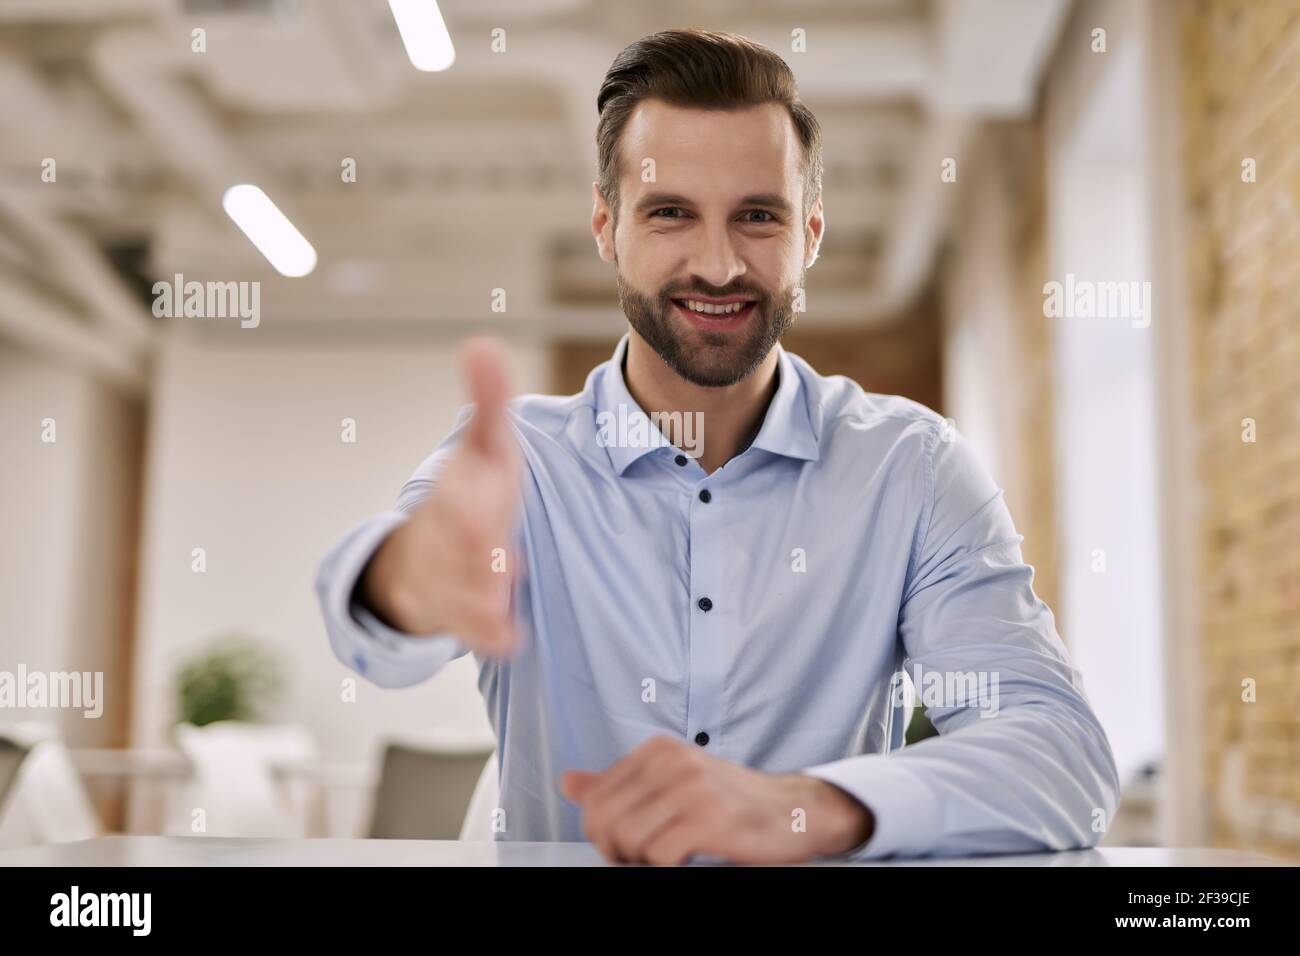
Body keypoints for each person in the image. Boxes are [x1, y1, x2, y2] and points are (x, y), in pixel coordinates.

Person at [316, 29, 1119, 865]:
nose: (719, 263)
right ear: (605, 226)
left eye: (757, 217)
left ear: (809, 234)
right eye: (670, 213)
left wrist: (818, 807)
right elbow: (376, 633)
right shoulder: (521, 462)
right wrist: (404, 582)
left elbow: (1058, 756)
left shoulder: (910, 470)